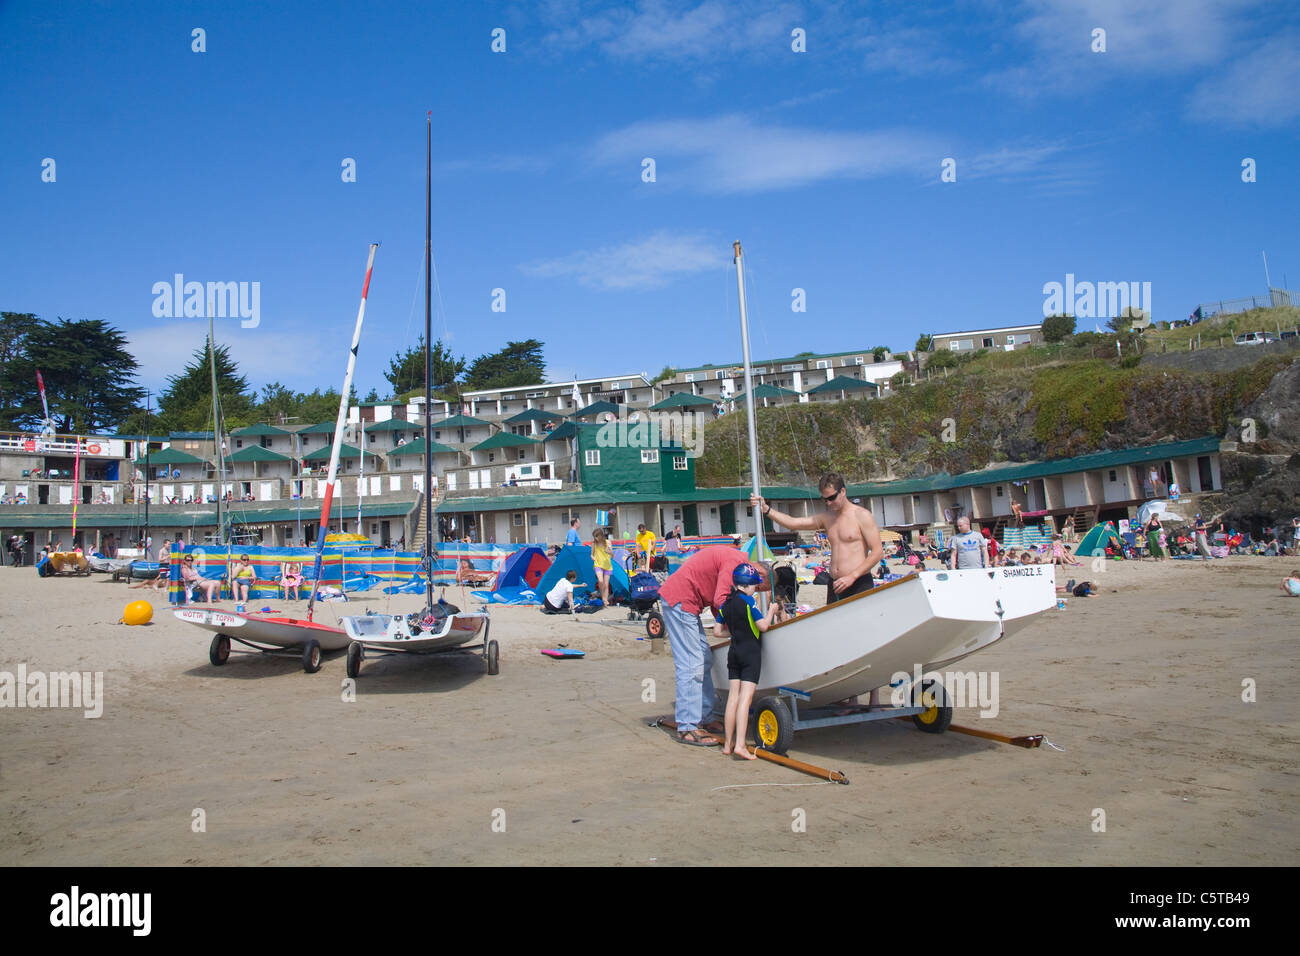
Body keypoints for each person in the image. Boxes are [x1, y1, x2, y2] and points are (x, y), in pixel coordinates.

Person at [657, 545, 774, 746]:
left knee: (704, 659)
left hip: (686, 602)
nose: (754, 592)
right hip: (680, 601)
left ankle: (704, 716)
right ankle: (688, 727)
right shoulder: (736, 563)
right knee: (691, 664)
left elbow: (718, 603)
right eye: (757, 588)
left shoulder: (735, 564)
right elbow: (722, 601)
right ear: (760, 575)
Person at [753, 473, 884, 605]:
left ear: (843, 491)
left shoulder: (862, 515)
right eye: (825, 499)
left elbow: (877, 552)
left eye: (832, 498)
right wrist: (766, 509)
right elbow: (793, 523)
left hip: (858, 582)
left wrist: (852, 576)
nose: (829, 503)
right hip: (835, 584)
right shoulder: (827, 518)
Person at [715, 562, 782, 760]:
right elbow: (763, 626)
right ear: (746, 585)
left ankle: (728, 744)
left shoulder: (725, 604)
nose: (755, 589)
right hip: (750, 653)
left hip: (733, 651)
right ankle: (741, 745)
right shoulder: (749, 602)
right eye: (754, 585)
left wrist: (735, 631)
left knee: (733, 698)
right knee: (746, 699)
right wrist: (771, 611)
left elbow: (718, 632)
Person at [591, 527, 613, 606]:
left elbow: (612, 556)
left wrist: (609, 552)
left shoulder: (607, 542)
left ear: (601, 535)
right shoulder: (594, 544)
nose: (595, 538)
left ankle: (605, 600)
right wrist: (593, 557)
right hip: (598, 564)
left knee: (606, 584)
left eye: (596, 536)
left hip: (607, 565)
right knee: (600, 581)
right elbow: (591, 554)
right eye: (594, 536)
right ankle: (603, 597)